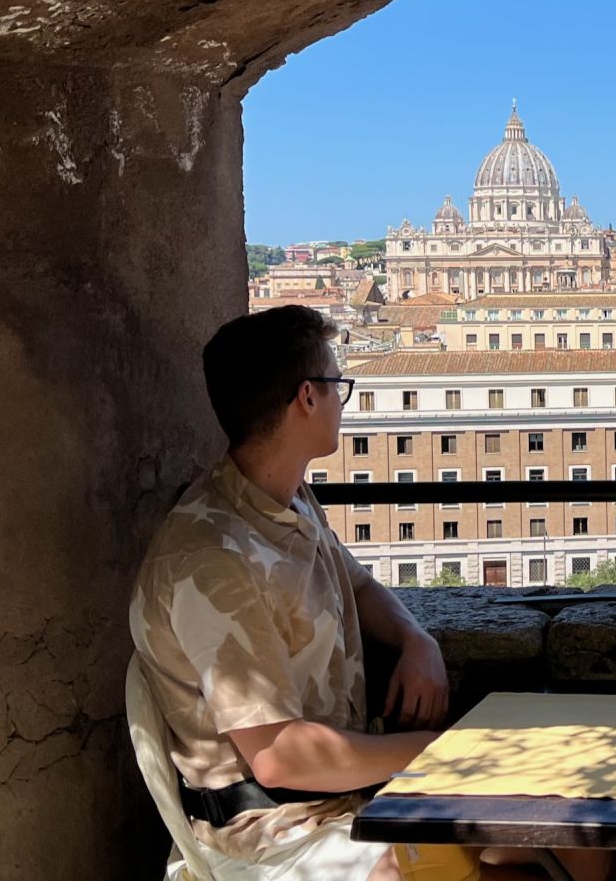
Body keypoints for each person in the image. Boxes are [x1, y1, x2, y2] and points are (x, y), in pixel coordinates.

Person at [130, 305, 466, 880]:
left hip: (345, 801)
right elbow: (278, 755)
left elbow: (356, 583)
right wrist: (442, 751)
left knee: (563, 847)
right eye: (339, 385)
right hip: (276, 836)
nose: (343, 401)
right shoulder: (212, 561)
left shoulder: (286, 498)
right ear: (308, 396)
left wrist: (417, 640)